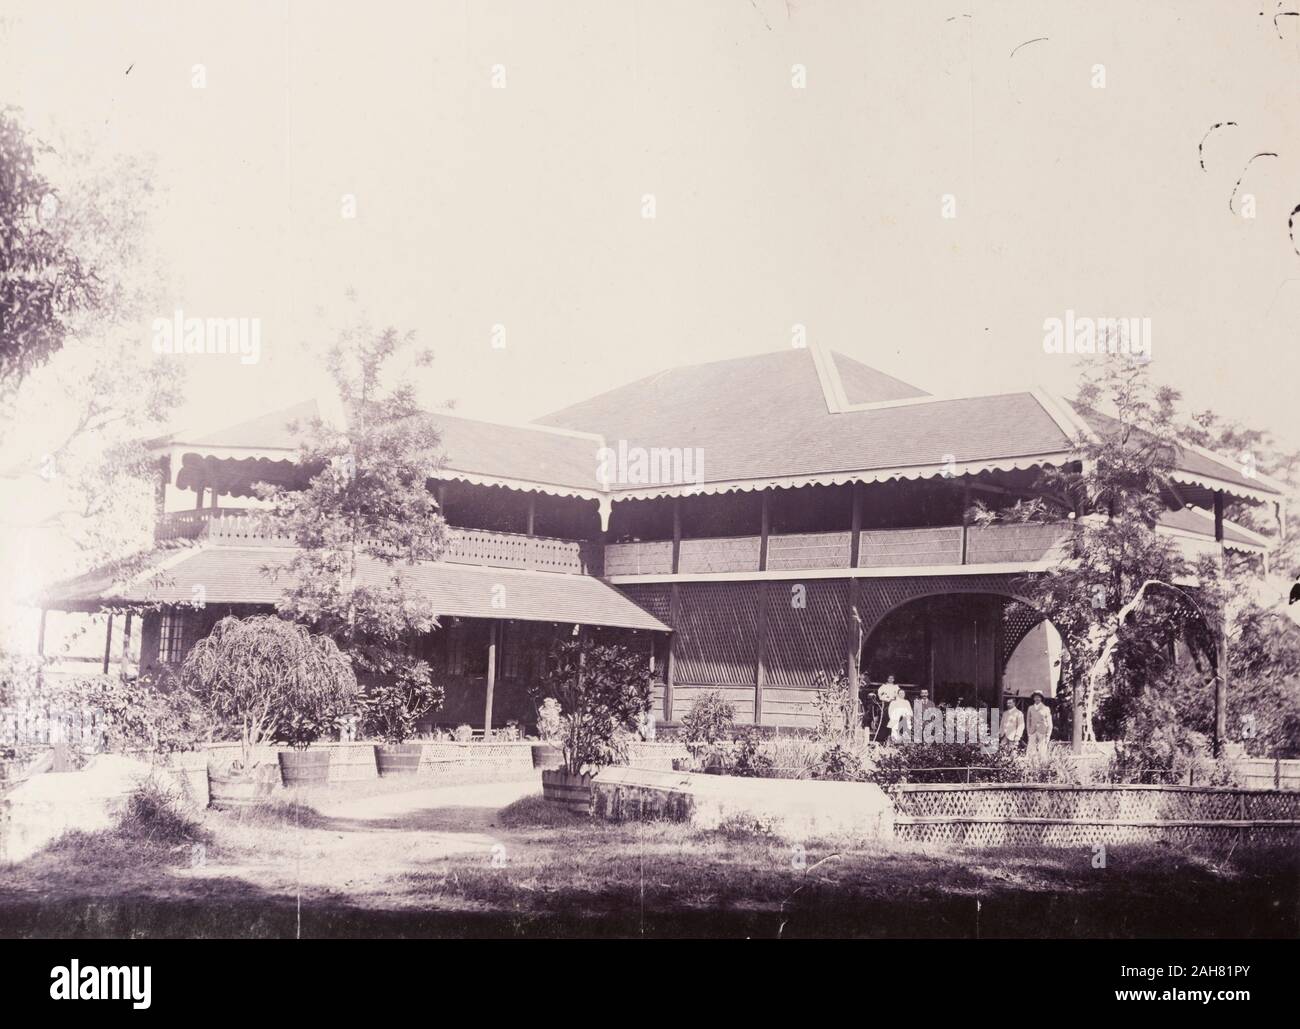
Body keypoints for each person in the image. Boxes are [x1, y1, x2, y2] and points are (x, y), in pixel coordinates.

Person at [1026, 691, 1052, 761]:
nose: (1037, 698)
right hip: (1032, 731)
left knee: (1042, 750)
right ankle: (1031, 766)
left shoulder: (1046, 708)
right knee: (1031, 749)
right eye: (1035, 697)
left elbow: (1049, 723)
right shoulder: (1030, 708)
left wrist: (1048, 735)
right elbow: (1028, 721)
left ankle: (1042, 766)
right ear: (1033, 698)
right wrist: (1028, 731)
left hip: (1042, 731)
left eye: (1039, 697)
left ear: (1041, 698)